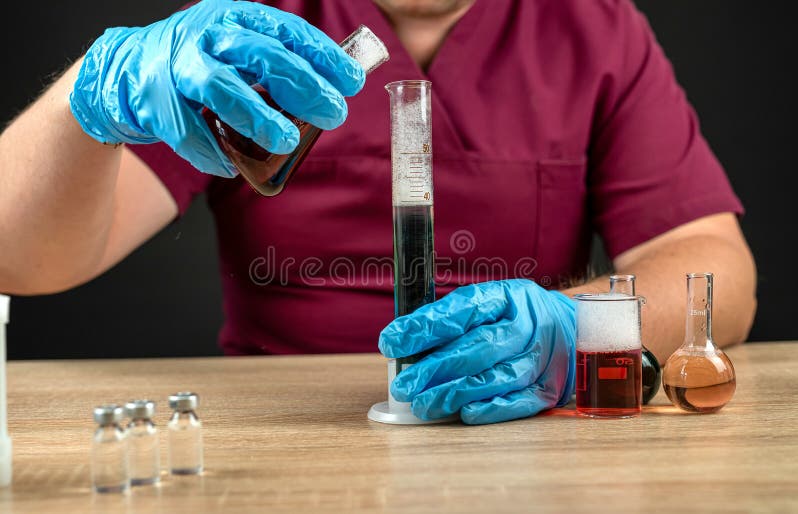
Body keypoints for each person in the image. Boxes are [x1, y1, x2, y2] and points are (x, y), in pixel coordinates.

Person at [0, 0, 756, 424]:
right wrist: (94, 94)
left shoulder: (591, 25)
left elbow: (712, 265)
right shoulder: (250, 33)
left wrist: (567, 332)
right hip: (284, 439)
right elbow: (21, 257)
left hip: (518, 428)